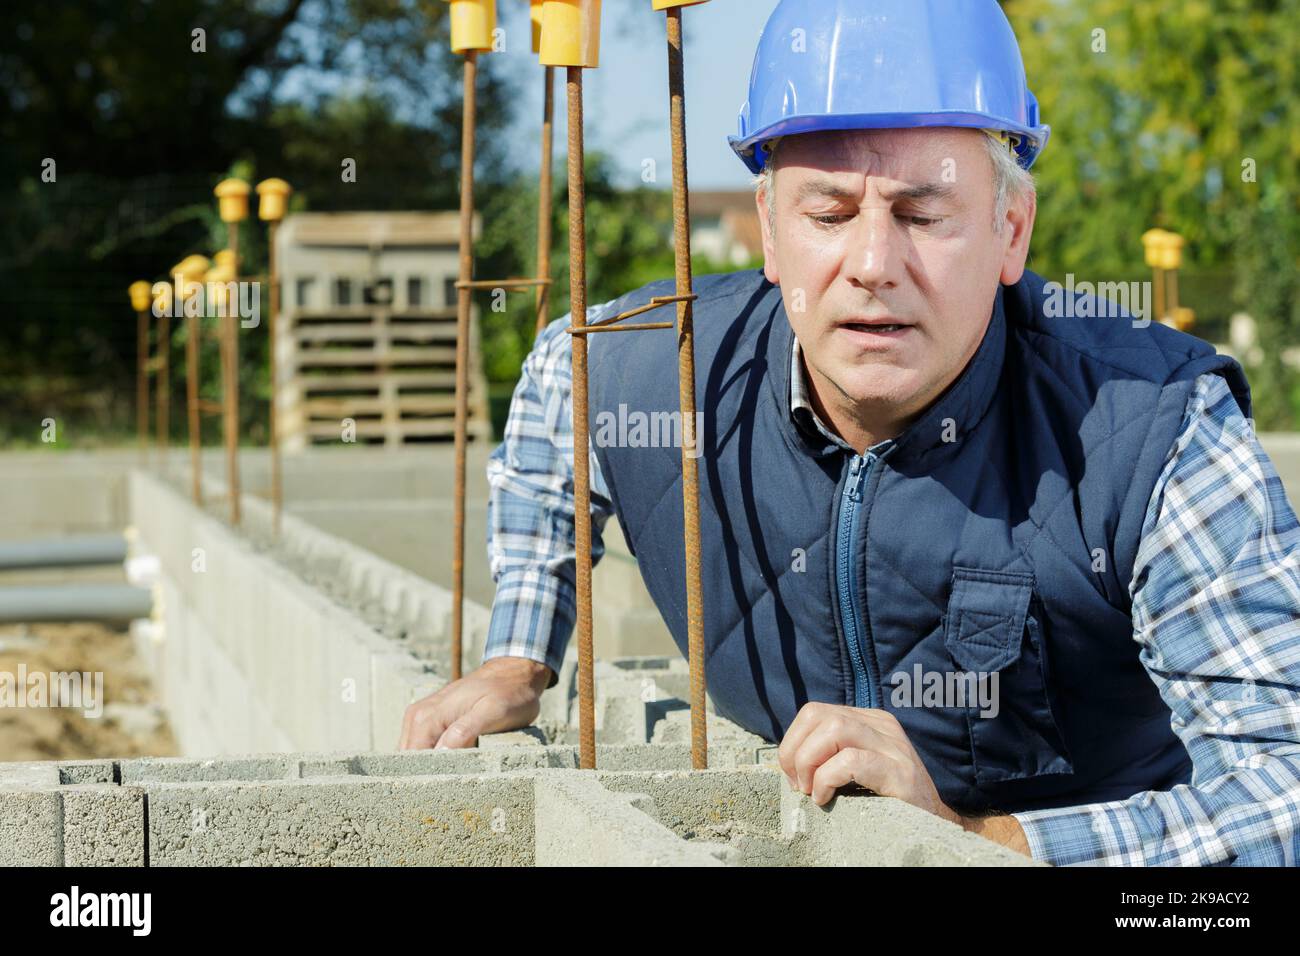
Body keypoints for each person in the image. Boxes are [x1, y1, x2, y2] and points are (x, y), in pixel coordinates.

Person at [401, 0, 1300, 866]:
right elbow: (559, 387)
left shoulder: (1154, 424)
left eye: (922, 215)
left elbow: (1284, 790)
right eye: (828, 215)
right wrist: (520, 657)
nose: (873, 266)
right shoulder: (655, 372)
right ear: (768, 231)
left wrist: (973, 843)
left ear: (1010, 230)